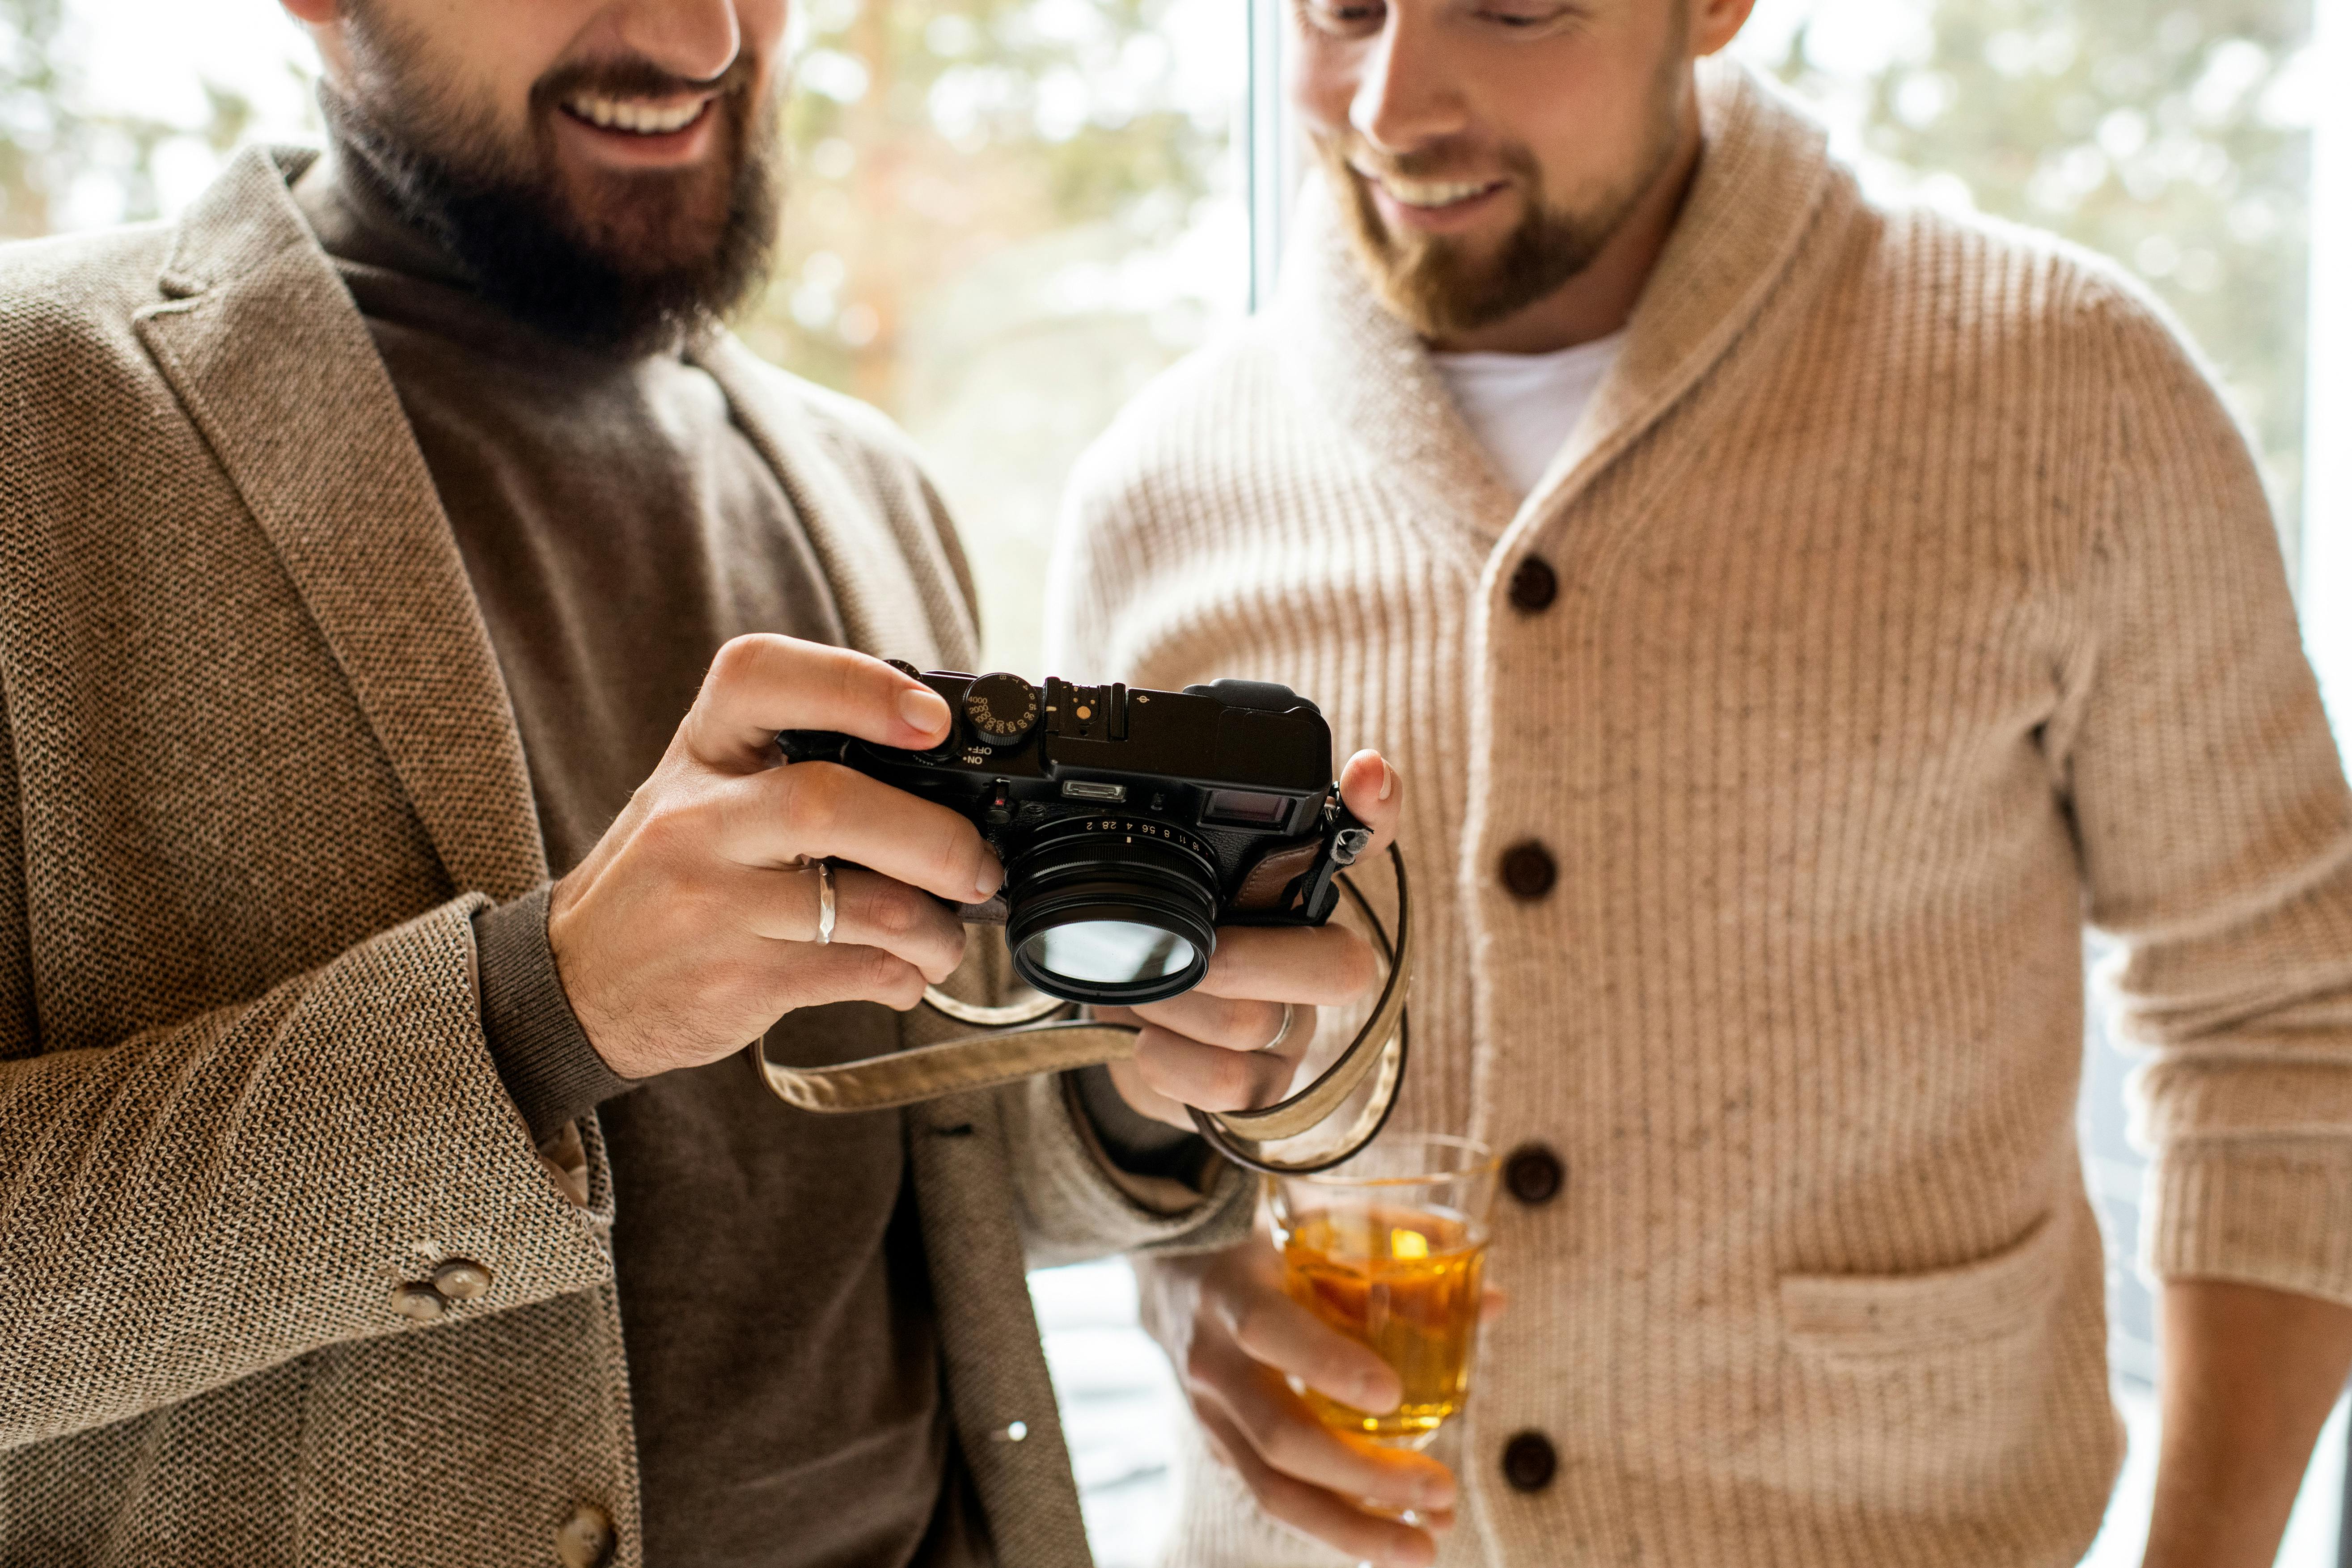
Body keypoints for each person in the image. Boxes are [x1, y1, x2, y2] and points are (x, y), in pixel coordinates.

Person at [0, 2, 1404, 1564]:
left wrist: (1139, 1095)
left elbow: (919, 1196)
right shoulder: (33, 409)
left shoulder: (866, 485)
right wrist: (542, 1013)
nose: (703, 34)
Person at [1048, 0, 2352, 1565]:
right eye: (1339, 9)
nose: (1394, 103)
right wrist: (1187, 1280)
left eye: (1513, 9)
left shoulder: (2072, 395)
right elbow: (1113, 1073)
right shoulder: (1155, 488)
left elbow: (2281, 1023)